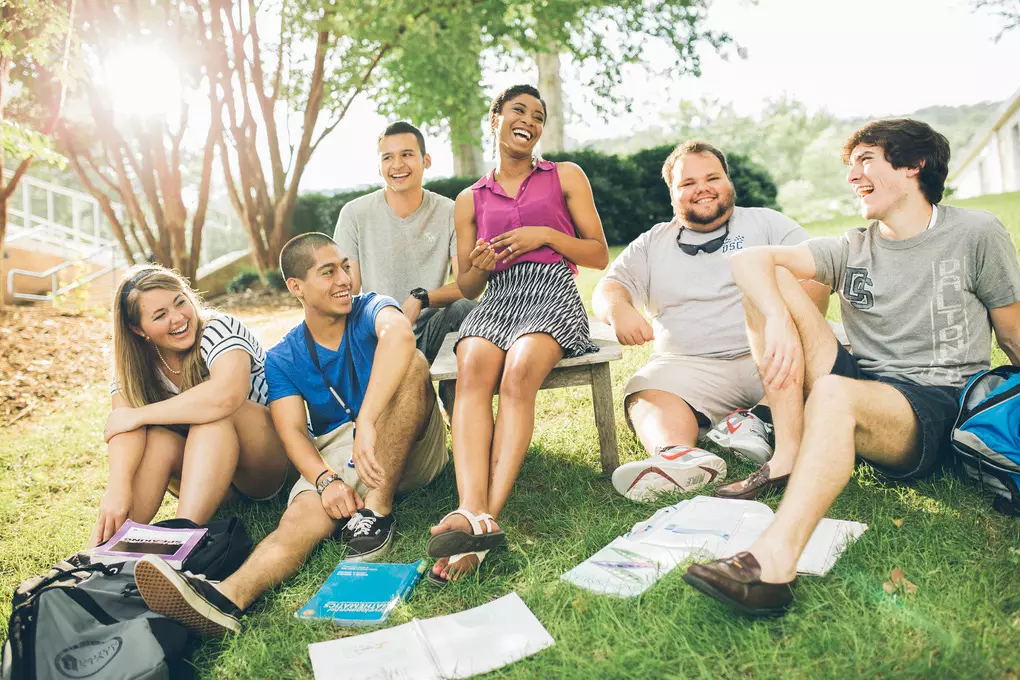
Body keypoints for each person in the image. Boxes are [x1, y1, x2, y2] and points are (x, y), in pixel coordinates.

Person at [683, 119, 1020, 617]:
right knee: (765, 279)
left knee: (835, 395)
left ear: (912, 166)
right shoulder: (852, 245)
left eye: (866, 160)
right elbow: (748, 262)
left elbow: (1012, 334)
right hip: (862, 379)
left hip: (935, 401)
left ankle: (772, 565)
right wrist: (776, 315)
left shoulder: (975, 232)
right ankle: (790, 452)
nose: (852, 175)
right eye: (850, 165)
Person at [132, 233, 449, 636]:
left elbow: (401, 335)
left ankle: (378, 511)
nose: (343, 280)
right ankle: (226, 599)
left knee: (413, 362)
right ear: (297, 287)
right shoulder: (282, 356)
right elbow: (293, 431)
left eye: (345, 267)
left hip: (410, 439)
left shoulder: (371, 307)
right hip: (339, 447)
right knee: (297, 521)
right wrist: (326, 480)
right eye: (328, 272)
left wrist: (368, 420)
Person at [425, 84, 610, 585]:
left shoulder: (565, 176)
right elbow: (466, 284)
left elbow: (597, 254)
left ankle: (486, 519)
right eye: (517, 110)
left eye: (537, 115)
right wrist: (481, 268)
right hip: (498, 296)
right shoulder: (470, 199)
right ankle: (470, 509)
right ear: (496, 119)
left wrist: (546, 236)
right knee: (474, 369)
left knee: (519, 371)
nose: (527, 119)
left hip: (551, 291)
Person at [592, 140, 830, 501]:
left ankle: (761, 417)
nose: (701, 188)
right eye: (687, 183)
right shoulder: (651, 243)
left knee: (840, 350)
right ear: (672, 194)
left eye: (712, 177)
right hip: (691, 367)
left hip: (776, 356)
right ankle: (679, 457)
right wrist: (619, 309)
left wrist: (792, 335)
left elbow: (815, 273)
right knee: (645, 389)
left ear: (728, 183)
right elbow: (609, 287)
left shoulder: (766, 223)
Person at [91, 265, 290, 547]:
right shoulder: (135, 365)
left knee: (215, 417)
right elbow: (123, 425)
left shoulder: (218, 327)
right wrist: (117, 487)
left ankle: (181, 542)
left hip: (269, 467)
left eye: (180, 302)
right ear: (137, 329)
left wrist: (140, 415)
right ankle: (101, 553)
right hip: (214, 480)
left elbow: (227, 395)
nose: (178, 318)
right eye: (160, 315)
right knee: (158, 439)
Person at [334, 121, 476, 365]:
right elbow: (349, 288)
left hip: (431, 330)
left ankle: (453, 394)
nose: (397, 165)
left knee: (466, 307)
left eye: (407, 155)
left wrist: (420, 299)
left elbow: (466, 285)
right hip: (379, 335)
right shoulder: (354, 214)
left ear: (426, 160)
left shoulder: (450, 211)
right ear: (379, 167)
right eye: (388, 157)